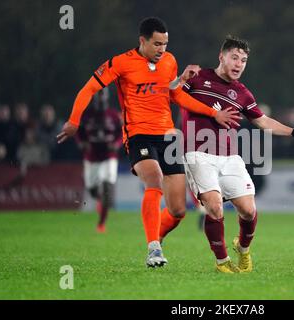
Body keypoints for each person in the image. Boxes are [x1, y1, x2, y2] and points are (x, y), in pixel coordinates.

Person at [56, 17, 239, 268]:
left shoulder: (169, 61)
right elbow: (88, 89)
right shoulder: (121, 63)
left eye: (164, 43)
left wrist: (213, 113)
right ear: (142, 41)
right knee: (154, 179)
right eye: (156, 44)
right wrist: (74, 121)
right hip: (137, 133)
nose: (161, 49)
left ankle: (157, 238)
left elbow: (174, 95)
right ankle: (153, 249)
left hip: (166, 135)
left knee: (178, 211)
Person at [158, 35, 294, 273]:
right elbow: (166, 94)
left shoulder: (242, 92)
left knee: (249, 210)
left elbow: (262, 121)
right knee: (213, 206)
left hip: (230, 158)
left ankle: (242, 249)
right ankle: (222, 262)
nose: (239, 64)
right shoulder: (198, 78)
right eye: (234, 57)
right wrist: (180, 79)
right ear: (221, 57)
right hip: (197, 155)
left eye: (243, 60)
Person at [76, 88, 122, 233]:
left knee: (108, 192)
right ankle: (99, 200)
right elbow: (78, 131)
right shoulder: (87, 115)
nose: (101, 99)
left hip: (109, 157)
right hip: (92, 157)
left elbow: (122, 132)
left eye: (103, 95)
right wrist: (81, 142)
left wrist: (117, 144)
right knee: (92, 190)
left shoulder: (114, 115)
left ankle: (101, 224)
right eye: (99, 95)